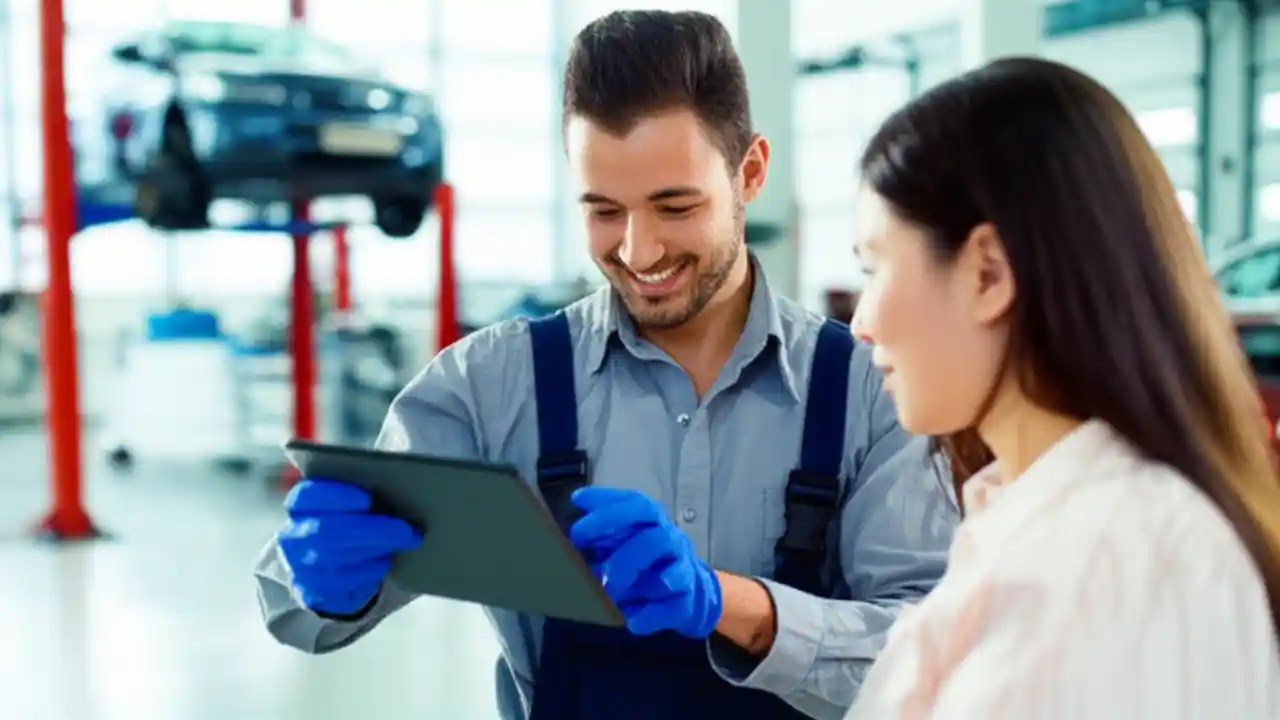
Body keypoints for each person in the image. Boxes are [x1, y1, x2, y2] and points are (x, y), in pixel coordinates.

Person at [254, 10, 958, 720]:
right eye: (603, 211)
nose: (638, 250)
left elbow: (932, 655)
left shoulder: (874, 391)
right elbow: (291, 604)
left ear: (749, 173)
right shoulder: (489, 387)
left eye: (674, 206)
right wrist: (321, 581)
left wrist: (734, 608)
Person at [841, 56, 1280, 719]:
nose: (861, 323)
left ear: (988, 272)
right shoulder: (1037, 515)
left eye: (875, 268)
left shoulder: (1122, 554)